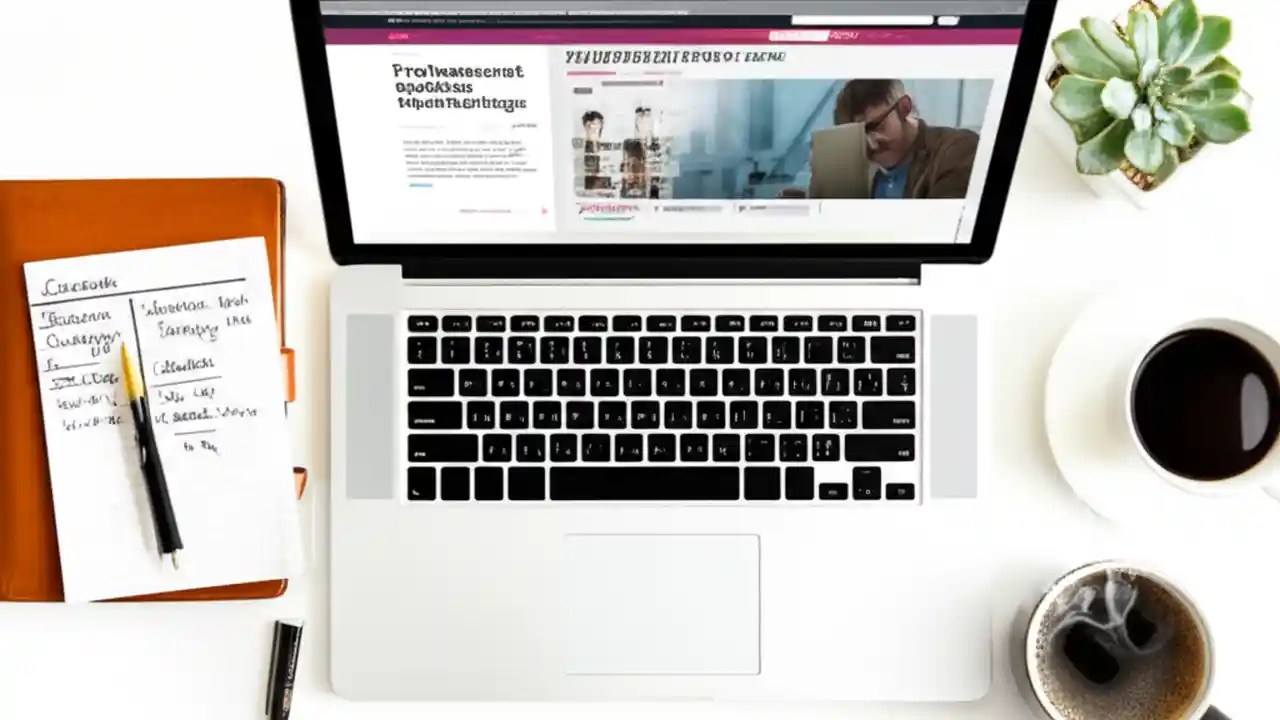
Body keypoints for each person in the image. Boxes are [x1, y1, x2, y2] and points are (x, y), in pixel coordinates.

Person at [833, 79, 978, 199]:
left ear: (904, 107)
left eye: (877, 127)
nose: (872, 144)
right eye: (858, 136)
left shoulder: (958, 149)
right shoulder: (858, 173)